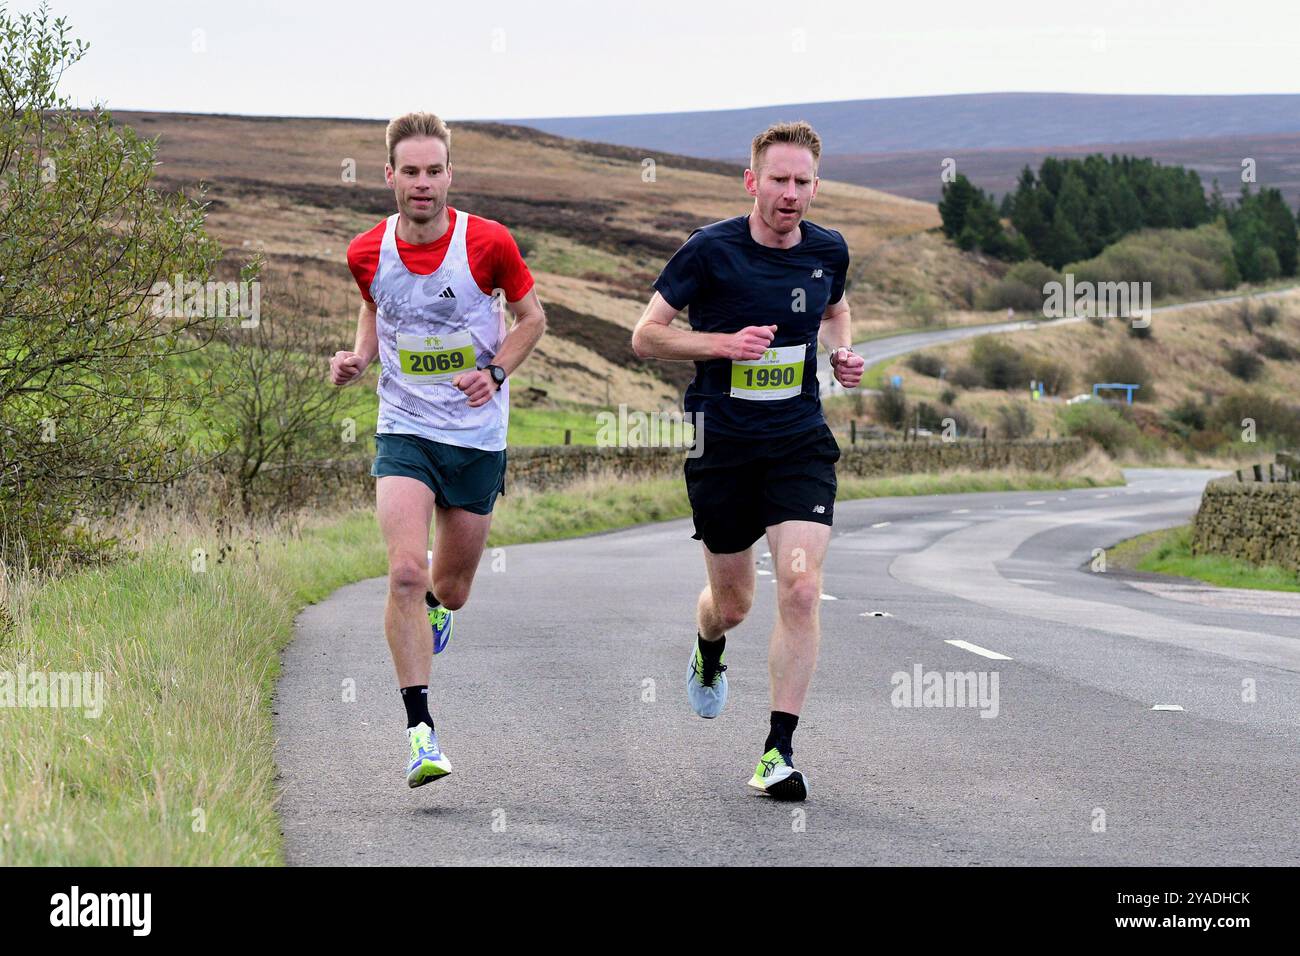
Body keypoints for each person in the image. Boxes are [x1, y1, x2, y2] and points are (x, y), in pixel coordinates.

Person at [631, 120, 864, 801]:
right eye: (778, 180)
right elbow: (646, 337)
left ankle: (777, 752)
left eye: (802, 182)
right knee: (733, 604)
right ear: (751, 181)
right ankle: (708, 648)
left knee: (799, 588)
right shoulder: (710, 252)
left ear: (816, 185)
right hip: (722, 446)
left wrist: (843, 354)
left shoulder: (828, 250)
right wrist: (720, 345)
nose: (790, 194)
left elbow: (837, 309)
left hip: (797, 442)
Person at [331, 112, 545, 788]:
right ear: (389, 176)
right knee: (402, 572)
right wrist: (360, 358)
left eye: (434, 171)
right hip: (405, 429)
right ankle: (420, 733)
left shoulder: (489, 243)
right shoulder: (366, 250)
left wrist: (496, 372)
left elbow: (531, 317)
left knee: (447, 589)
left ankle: (433, 610)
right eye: (410, 172)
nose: (422, 184)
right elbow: (375, 305)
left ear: (450, 174)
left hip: (476, 436)